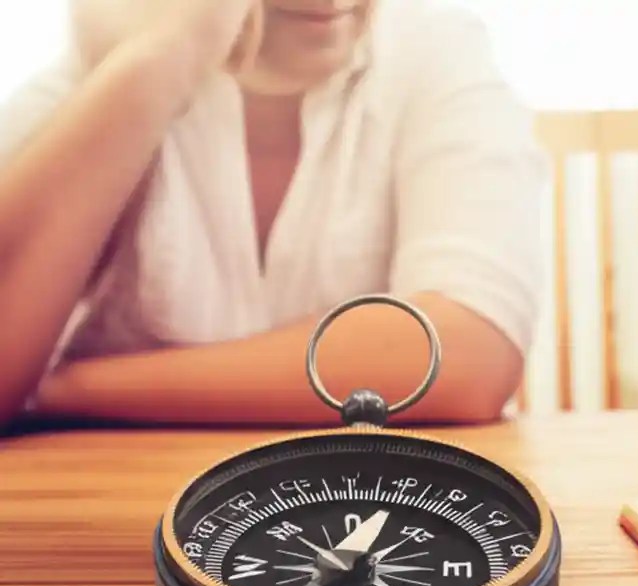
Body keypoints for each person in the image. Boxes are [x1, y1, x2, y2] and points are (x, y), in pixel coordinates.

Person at [0, 0, 544, 431]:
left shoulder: (434, 49)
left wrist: (62, 389)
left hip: (371, 505)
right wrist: (155, 63)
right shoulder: (106, 58)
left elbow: (469, 353)